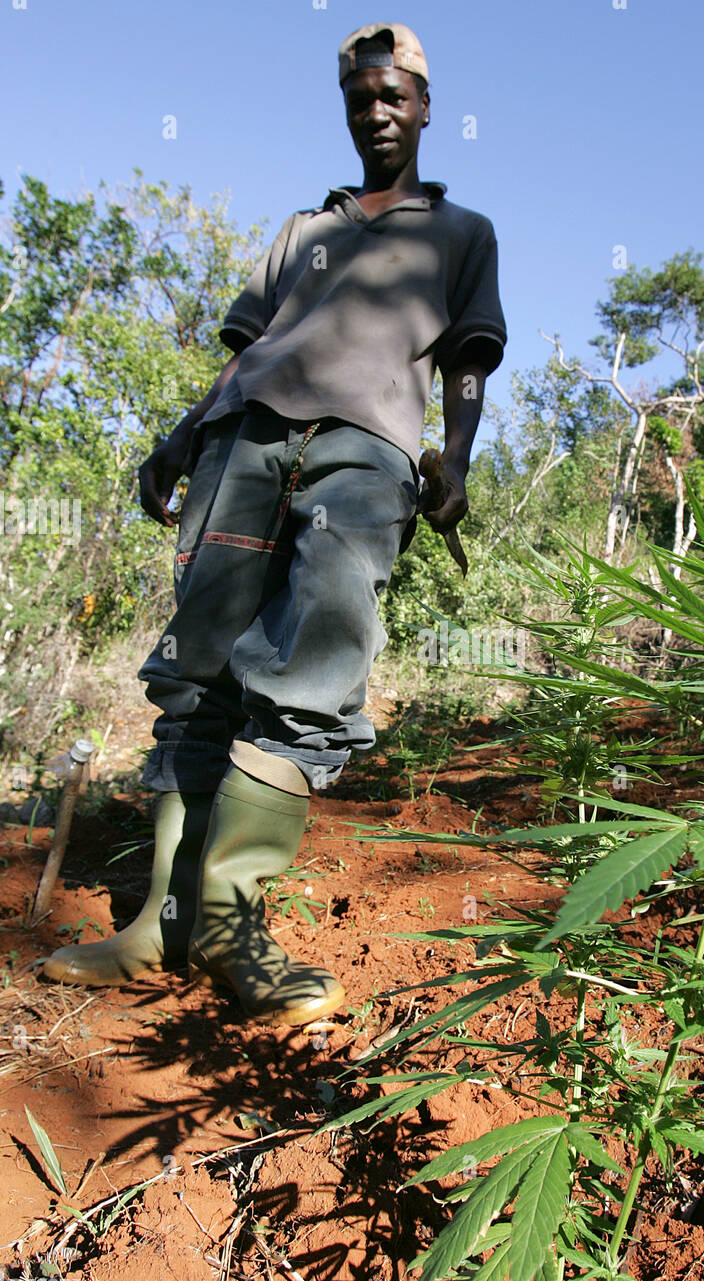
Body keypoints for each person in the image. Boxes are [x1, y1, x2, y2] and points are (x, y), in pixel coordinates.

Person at [41, 21, 507, 1028]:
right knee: (197, 672)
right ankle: (162, 921)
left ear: (424, 106)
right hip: (241, 442)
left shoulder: (461, 232)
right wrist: (177, 436)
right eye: (359, 99)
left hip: (365, 447)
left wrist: (455, 454)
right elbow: (243, 351)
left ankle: (224, 917)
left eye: (394, 97)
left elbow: (469, 354)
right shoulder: (303, 230)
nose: (376, 113)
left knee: (310, 670)